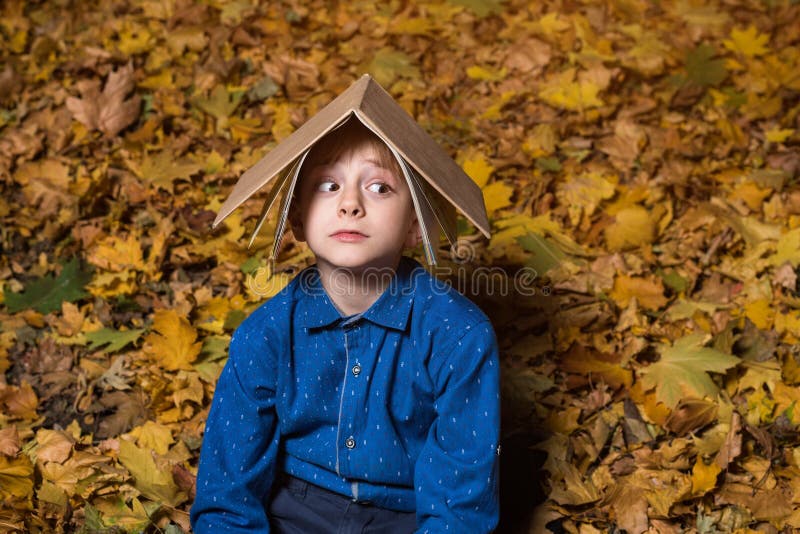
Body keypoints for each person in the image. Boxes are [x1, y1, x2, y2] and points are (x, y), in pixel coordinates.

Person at [190, 118, 500, 533]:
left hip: (410, 512)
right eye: (328, 185)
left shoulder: (459, 336)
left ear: (414, 225)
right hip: (294, 508)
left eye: (380, 187)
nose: (350, 203)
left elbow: (458, 505)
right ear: (297, 220)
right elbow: (227, 492)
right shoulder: (265, 335)